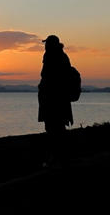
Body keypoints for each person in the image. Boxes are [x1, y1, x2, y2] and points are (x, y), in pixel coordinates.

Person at [37, 34, 73, 167]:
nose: (45, 46)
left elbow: (47, 76)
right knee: (57, 128)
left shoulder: (52, 56)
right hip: (59, 99)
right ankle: (60, 157)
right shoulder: (61, 56)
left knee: (54, 129)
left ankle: (56, 159)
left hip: (54, 100)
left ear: (51, 44)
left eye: (46, 43)